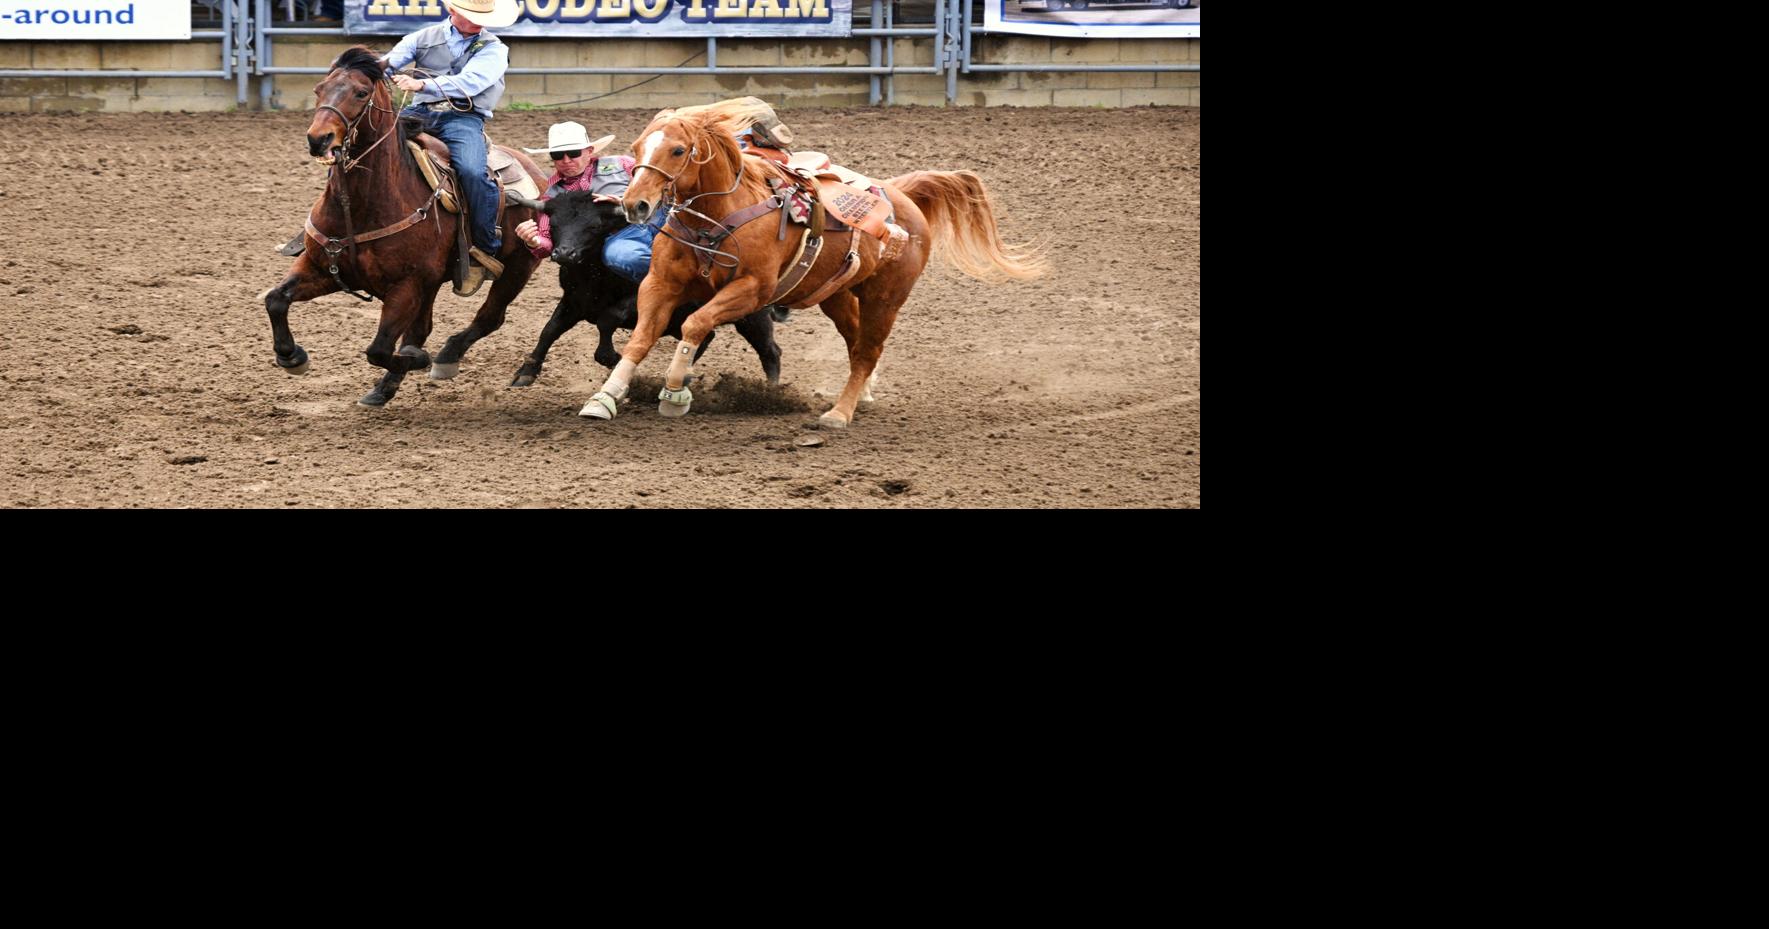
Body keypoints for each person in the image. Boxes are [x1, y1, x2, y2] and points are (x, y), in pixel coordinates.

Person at [383, 0, 517, 296]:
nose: (477, 22)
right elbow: (391, 60)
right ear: (453, 11)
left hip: (464, 118)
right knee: (368, 146)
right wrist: (376, 71)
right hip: (420, 114)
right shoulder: (422, 38)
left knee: (472, 171)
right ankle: (324, 228)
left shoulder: (494, 48)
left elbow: (471, 83)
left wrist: (421, 86)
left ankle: (483, 248)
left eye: (482, 17)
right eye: (471, 15)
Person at [514, 122, 658, 284]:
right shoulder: (552, 195)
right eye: (558, 155)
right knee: (622, 258)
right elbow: (546, 241)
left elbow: (658, 187)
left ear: (589, 152)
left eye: (574, 153)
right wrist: (533, 241)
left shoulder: (623, 164)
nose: (566, 160)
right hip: (620, 236)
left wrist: (627, 202)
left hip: (656, 218)